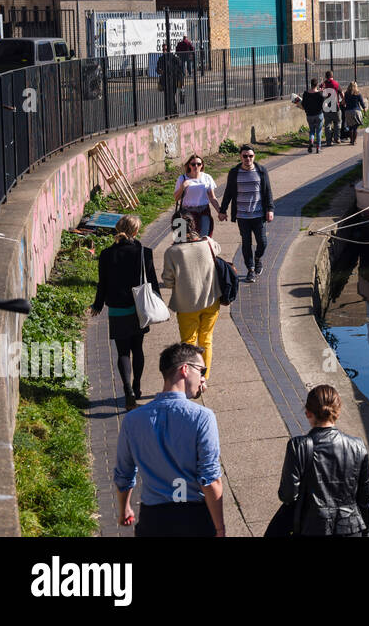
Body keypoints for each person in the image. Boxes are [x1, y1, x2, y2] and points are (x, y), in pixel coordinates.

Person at [114, 342, 223, 537]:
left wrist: (125, 509)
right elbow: (210, 479)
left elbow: (124, 474)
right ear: (184, 369)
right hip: (193, 519)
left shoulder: (133, 420)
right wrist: (220, 528)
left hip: (153, 520)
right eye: (201, 370)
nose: (203, 378)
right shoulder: (202, 417)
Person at [273, 385, 369, 537]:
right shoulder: (358, 447)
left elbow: (287, 495)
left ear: (308, 413)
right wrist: (365, 529)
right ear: (337, 412)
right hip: (350, 528)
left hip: (312, 527)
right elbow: (365, 499)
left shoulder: (298, 446)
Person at [91, 214, 159, 410]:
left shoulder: (106, 254)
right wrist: (158, 302)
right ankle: (137, 387)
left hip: (117, 309)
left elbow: (102, 283)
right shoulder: (144, 253)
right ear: (136, 231)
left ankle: (127, 389)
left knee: (122, 352)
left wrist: (98, 305)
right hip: (139, 309)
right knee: (138, 348)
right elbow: (152, 281)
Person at [162, 213, 223, 379]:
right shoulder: (208, 243)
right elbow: (218, 250)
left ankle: (192, 378)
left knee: (189, 343)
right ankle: (204, 378)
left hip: (186, 304)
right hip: (211, 300)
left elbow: (168, 282)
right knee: (206, 340)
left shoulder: (172, 252)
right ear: (193, 225)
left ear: (175, 229)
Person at [217, 144, 275, 282]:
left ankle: (257, 258)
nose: (248, 158)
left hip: (259, 214)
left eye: (250, 156)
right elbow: (229, 192)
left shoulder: (261, 171)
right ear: (240, 157)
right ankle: (251, 270)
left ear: (254, 156)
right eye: (245, 156)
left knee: (262, 242)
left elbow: (268, 192)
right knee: (246, 242)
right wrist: (223, 210)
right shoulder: (234, 172)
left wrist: (270, 209)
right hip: (242, 215)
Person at [173, 154, 217, 239]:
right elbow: (176, 198)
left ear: (202, 165)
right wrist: (182, 187)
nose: (196, 166)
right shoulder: (182, 178)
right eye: (193, 164)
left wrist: (220, 212)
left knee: (204, 238)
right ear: (189, 165)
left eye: (199, 164)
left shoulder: (207, 177)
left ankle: (203, 252)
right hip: (188, 213)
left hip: (204, 211)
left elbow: (212, 197)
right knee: (189, 239)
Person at [298, 79, 325, 153]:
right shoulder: (320, 94)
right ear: (317, 85)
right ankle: (318, 148)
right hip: (319, 114)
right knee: (319, 131)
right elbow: (324, 104)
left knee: (312, 130)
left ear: (311, 84)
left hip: (309, 115)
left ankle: (311, 140)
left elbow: (303, 104)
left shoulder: (306, 93)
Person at [157, 43, 183, 118]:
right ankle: (170, 113)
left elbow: (180, 70)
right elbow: (158, 69)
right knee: (167, 97)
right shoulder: (161, 59)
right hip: (165, 81)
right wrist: (159, 71)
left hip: (173, 80)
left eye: (166, 49)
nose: (164, 51)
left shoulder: (174, 58)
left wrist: (181, 82)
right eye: (163, 50)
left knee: (172, 96)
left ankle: (173, 112)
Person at [322, 70, 343, 147]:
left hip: (326, 106)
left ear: (326, 76)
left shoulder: (323, 84)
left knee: (327, 124)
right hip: (335, 106)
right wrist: (343, 101)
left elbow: (320, 92)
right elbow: (341, 93)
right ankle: (337, 138)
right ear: (332, 76)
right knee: (337, 122)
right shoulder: (336, 84)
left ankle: (328, 141)